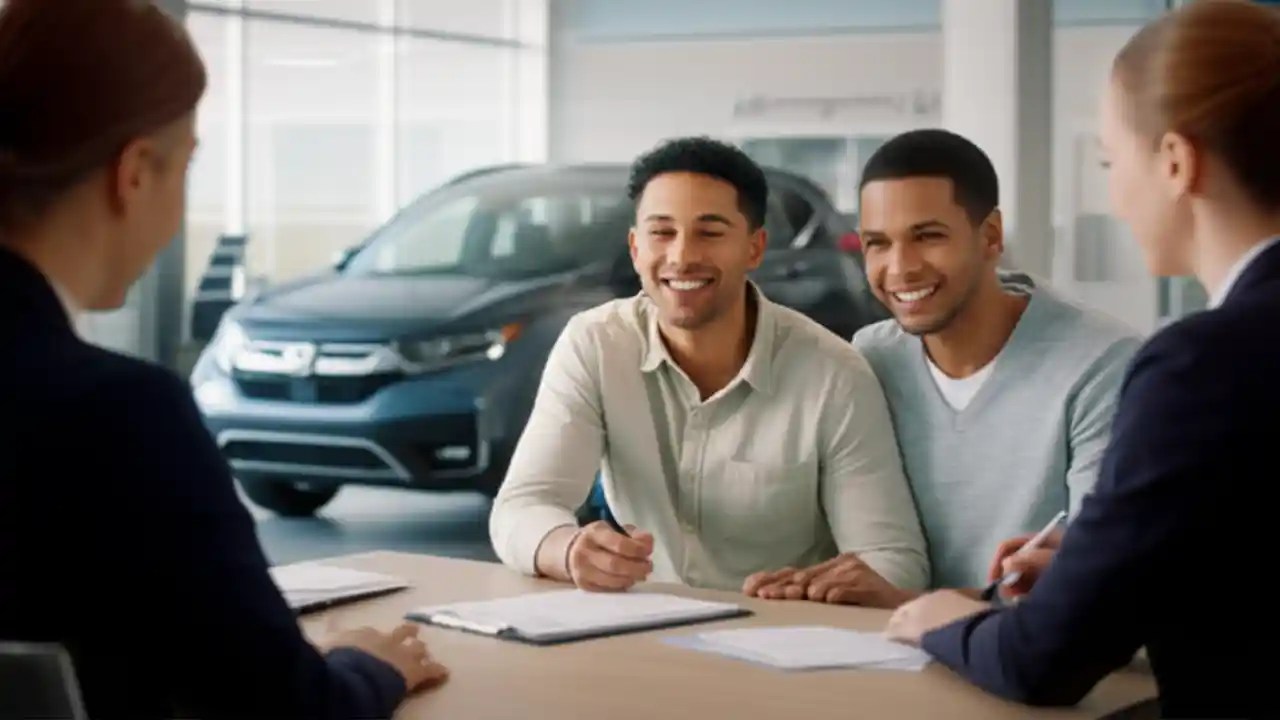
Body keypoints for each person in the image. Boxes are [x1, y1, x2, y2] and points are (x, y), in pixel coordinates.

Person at [0, 2, 446, 718]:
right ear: (137, 171)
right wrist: (367, 666)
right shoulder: (116, 413)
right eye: (187, 166)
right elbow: (287, 709)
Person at [885, 1, 1277, 716]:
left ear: (1175, 162)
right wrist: (1110, 566)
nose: (1114, 195)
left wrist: (946, 618)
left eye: (1109, 160)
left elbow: (1044, 662)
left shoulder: (1200, 365)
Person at [489, 136, 928, 599]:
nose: (682, 256)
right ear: (636, 248)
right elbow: (523, 506)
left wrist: (815, 589)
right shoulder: (596, 344)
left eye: (710, 232)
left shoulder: (833, 374)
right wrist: (571, 549)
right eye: (662, 232)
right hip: (646, 631)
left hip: (786, 638)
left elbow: (894, 559)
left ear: (754, 248)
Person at [743, 129, 1140, 607]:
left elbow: (1101, 582)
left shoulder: (1103, 365)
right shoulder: (871, 358)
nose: (900, 268)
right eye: (877, 243)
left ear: (990, 236)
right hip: (893, 655)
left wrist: (901, 602)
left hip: (1046, 665)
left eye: (927, 237)